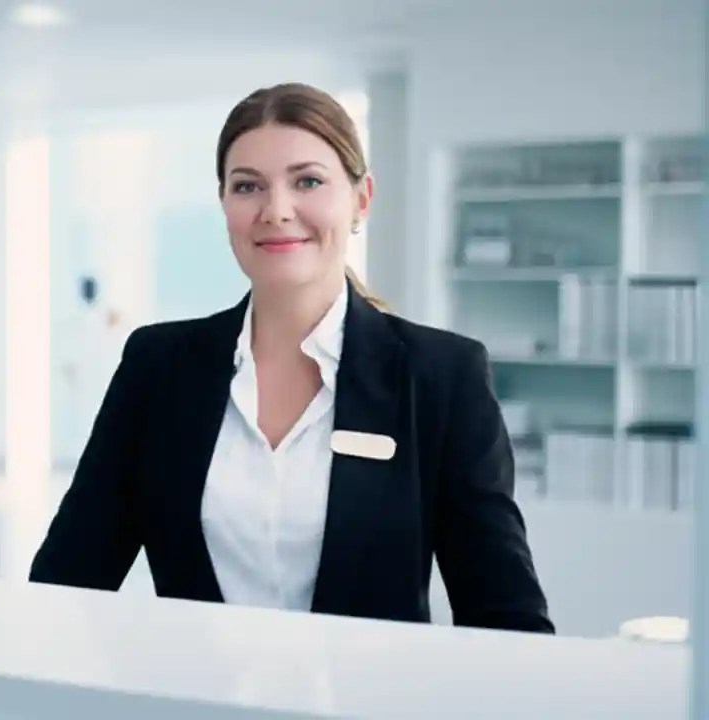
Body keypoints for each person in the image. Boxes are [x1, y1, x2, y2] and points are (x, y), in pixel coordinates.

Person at [28, 82, 553, 634]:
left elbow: (504, 616)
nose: (276, 211)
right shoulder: (158, 367)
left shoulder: (441, 375)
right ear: (225, 204)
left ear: (361, 199)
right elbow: (69, 581)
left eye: (308, 181)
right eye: (248, 186)